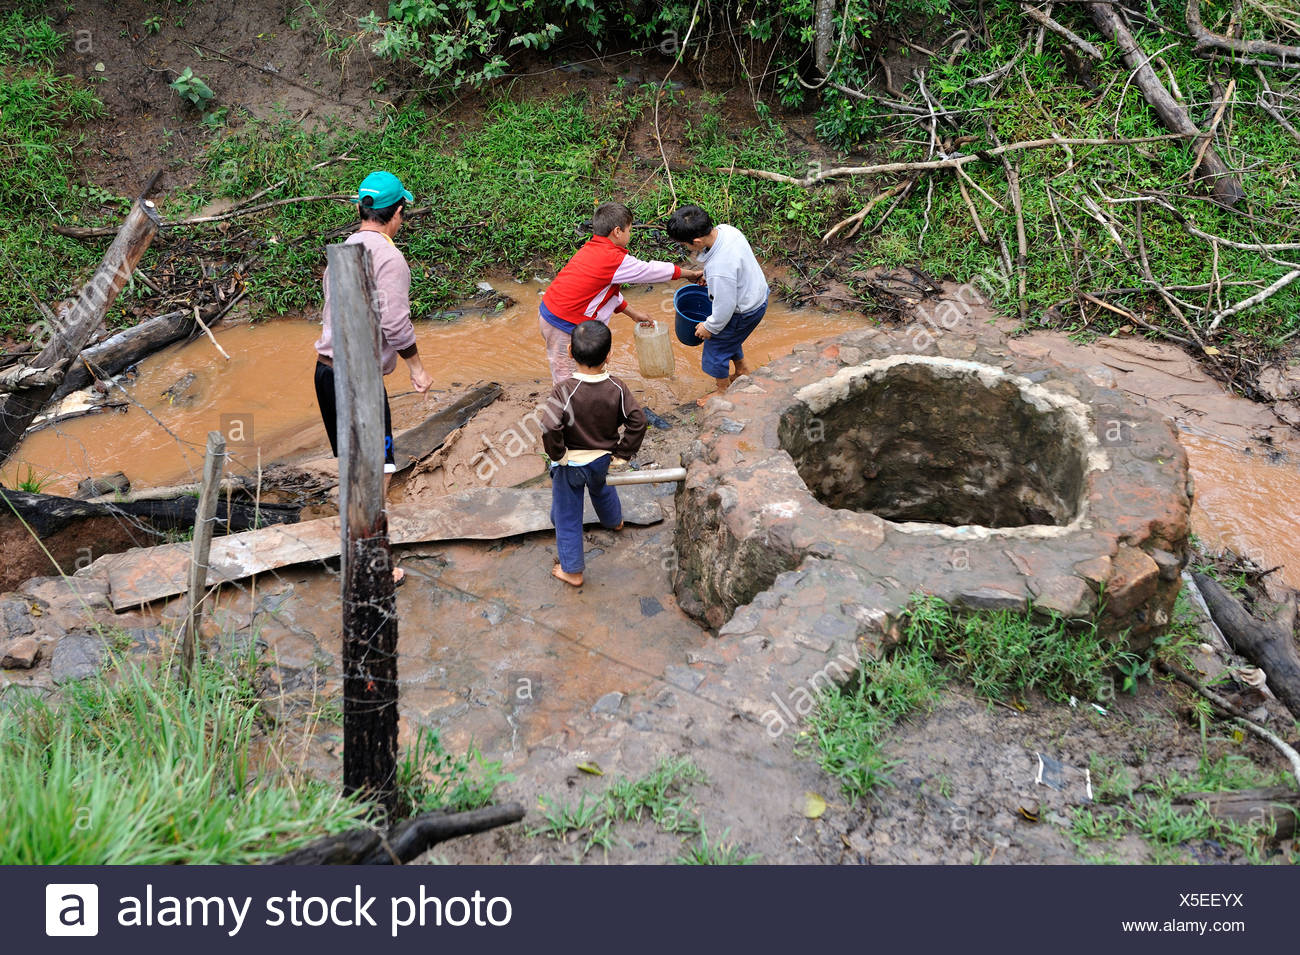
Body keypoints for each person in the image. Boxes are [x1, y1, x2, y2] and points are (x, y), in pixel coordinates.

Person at [314, 170, 432, 585]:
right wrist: (417, 367)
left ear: (362, 210)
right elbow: (397, 324)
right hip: (359, 382)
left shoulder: (345, 248)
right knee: (378, 469)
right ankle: (370, 563)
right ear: (397, 212)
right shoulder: (389, 257)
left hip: (326, 374)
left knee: (354, 466)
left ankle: (358, 546)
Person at [539, 201, 702, 384]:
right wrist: (690, 274)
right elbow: (650, 270)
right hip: (562, 322)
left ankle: (586, 399)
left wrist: (634, 314)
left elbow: (605, 295)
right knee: (565, 374)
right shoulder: (612, 259)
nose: (629, 234)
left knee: (584, 367)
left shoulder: (592, 249)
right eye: (629, 230)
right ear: (617, 231)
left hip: (554, 314)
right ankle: (566, 408)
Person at [541, 321, 647, 587]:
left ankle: (573, 571)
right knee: (602, 488)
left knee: (567, 516)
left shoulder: (564, 391)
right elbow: (638, 421)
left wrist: (559, 454)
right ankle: (614, 521)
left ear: (570, 352)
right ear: (609, 355)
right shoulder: (617, 388)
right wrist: (622, 454)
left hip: (571, 465)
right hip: (602, 460)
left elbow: (549, 426)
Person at [665, 205, 769, 402]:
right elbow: (733, 270)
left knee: (716, 349)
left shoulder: (720, 267)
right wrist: (710, 278)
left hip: (743, 310)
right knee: (730, 338)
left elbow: (725, 307)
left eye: (685, 245)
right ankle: (742, 370)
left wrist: (709, 327)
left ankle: (722, 392)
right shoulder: (727, 231)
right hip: (757, 296)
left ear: (696, 241)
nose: (686, 248)